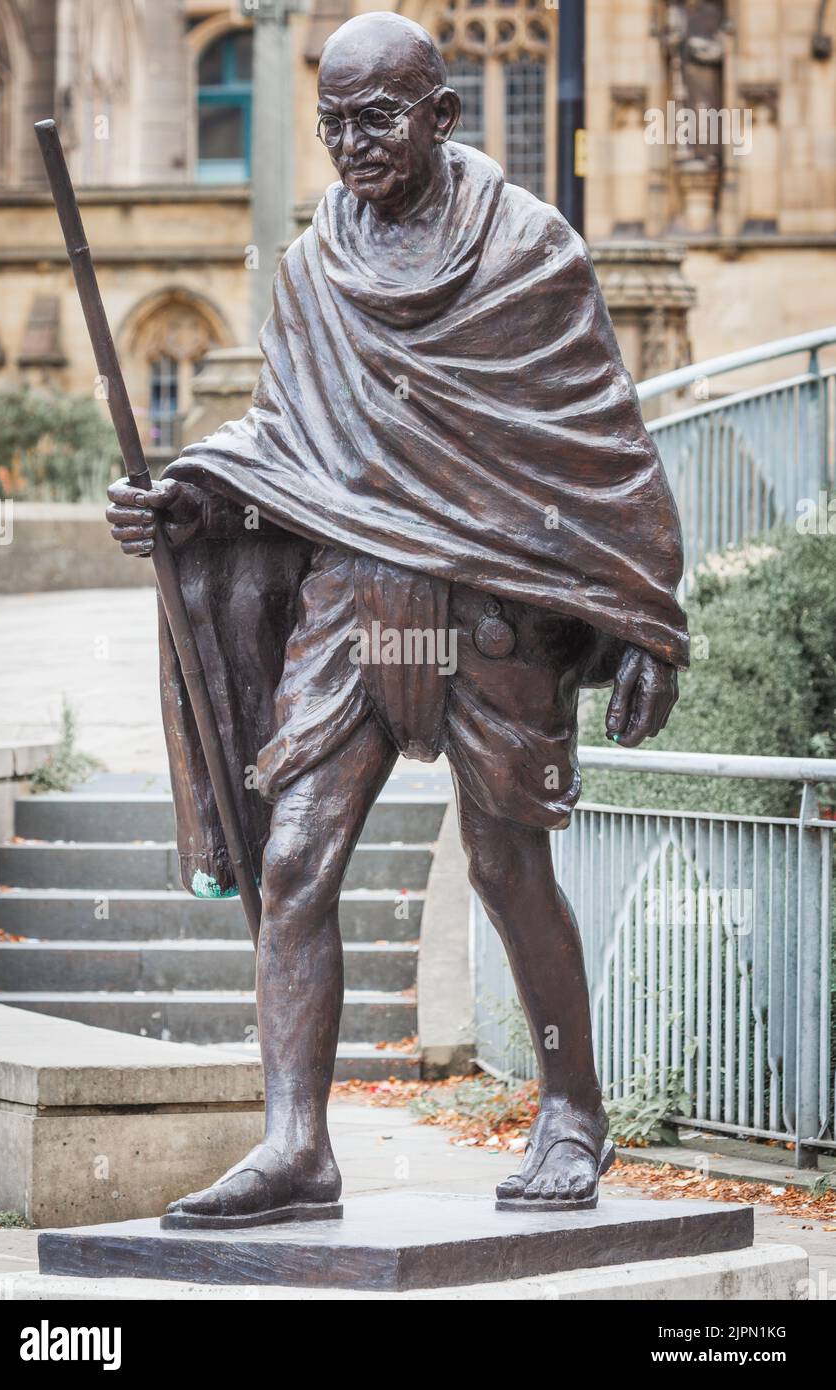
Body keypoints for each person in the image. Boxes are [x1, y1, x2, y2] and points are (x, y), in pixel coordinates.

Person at [107, 12, 688, 1224]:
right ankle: (295, 1145)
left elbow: (603, 446)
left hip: (486, 611)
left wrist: (643, 615)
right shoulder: (314, 267)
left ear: (441, 114)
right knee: (296, 855)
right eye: (331, 122)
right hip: (354, 601)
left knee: (503, 860)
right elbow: (286, 439)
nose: (352, 143)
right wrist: (189, 495)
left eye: (377, 117)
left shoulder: (529, 249)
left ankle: (570, 1109)